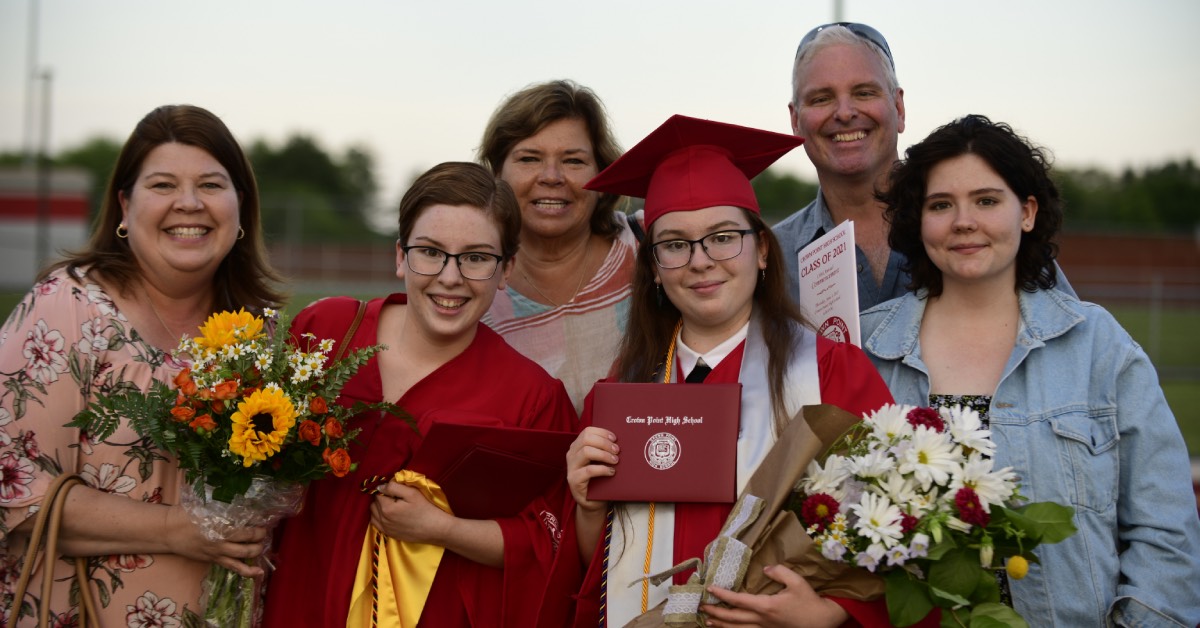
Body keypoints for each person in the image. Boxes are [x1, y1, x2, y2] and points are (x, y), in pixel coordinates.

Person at [543, 115, 923, 627]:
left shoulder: (831, 371)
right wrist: (588, 507)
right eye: (674, 244)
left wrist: (829, 614)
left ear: (763, 249)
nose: (700, 261)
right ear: (654, 267)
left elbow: (899, 530)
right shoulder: (621, 394)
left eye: (724, 237)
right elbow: (595, 573)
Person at [859, 114, 1200, 626]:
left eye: (987, 200)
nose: (963, 221)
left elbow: (1165, 532)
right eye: (940, 205)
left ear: (1027, 212)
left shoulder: (1099, 347)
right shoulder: (864, 348)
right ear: (919, 221)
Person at [0, 104, 286, 626]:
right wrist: (176, 529)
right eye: (162, 185)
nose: (189, 203)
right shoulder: (67, 307)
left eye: (211, 184)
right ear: (125, 207)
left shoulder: (261, 336)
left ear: (240, 207)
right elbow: (15, 493)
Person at [262, 162, 577, 627]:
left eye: (476, 257)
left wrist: (444, 529)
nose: (450, 277)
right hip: (300, 598)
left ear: (506, 269)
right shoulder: (327, 332)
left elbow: (550, 544)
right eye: (430, 252)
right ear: (399, 255)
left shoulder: (532, 397)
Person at [774, 23, 1072, 311]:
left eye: (864, 93)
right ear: (795, 121)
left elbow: (1074, 340)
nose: (845, 112)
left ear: (899, 109)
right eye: (821, 98)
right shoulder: (769, 258)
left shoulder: (980, 230)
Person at [478, 79, 636, 413]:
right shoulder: (473, 284)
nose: (551, 176)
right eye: (529, 158)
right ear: (496, 174)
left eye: (574, 161)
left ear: (603, 175)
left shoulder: (652, 247)